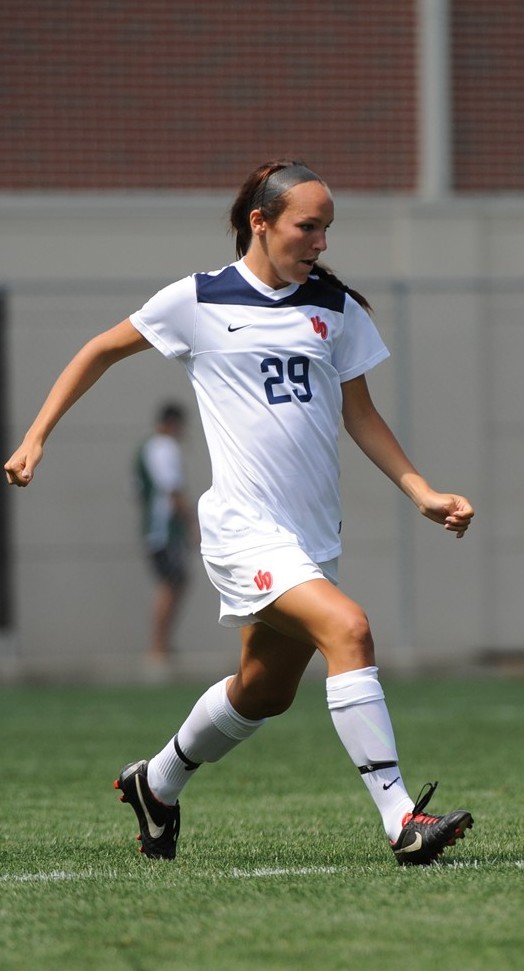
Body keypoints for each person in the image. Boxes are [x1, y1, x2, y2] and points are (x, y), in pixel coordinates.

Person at [5, 158, 475, 866]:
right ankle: (400, 818)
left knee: (264, 691)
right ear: (261, 222)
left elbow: (361, 414)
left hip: (312, 536)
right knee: (349, 627)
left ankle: (155, 783)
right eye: (306, 226)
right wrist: (36, 435)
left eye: (327, 229)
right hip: (243, 532)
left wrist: (420, 489)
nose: (319, 243)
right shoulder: (199, 299)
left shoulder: (333, 308)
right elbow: (100, 350)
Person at [134, 401, 196, 664]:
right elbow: (172, 490)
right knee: (171, 583)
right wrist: (191, 523)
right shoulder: (164, 447)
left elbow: (137, 491)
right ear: (173, 423)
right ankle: (158, 646)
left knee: (174, 582)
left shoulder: (145, 448)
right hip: (166, 530)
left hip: (153, 528)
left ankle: (161, 644)